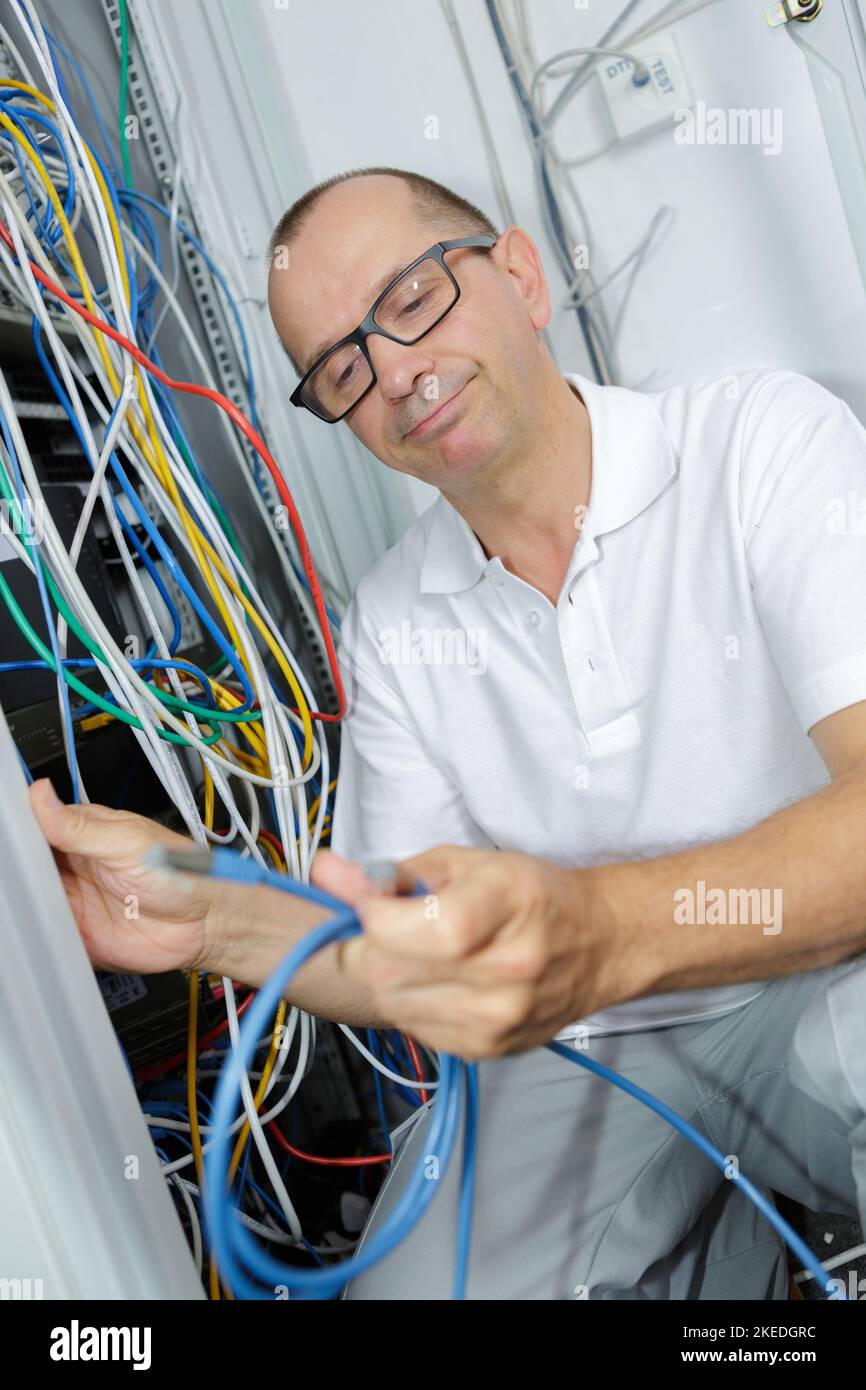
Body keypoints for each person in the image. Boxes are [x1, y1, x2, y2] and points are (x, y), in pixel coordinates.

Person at [30, 166, 866, 1300]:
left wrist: (602, 930)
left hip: (830, 970)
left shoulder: (756, 440)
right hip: (602, 1048)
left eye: (412, 299)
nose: (396, 373)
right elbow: (382, 941)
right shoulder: (390, 621)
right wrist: (206, 910)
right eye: (341, 367)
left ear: (518, 275)